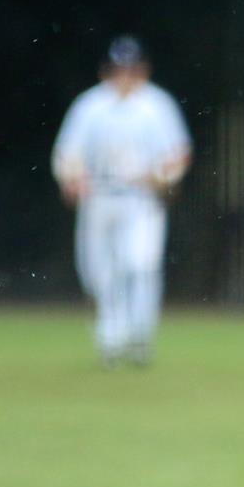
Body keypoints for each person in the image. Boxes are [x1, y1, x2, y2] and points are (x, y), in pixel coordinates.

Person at [50, 36, 191, 367]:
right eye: (119, 69)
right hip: (98, 196)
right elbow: (67, 151)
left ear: (143, 70)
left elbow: (178, 153)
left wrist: (163, 177)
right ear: (107, 71)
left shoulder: (157, 105)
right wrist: (70, 178)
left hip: (140, 198)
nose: (125, 77)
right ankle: (111, 340)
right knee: (98, 271)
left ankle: (139, 337)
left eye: (131, 69)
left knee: (139, 265)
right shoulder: (90, 105)